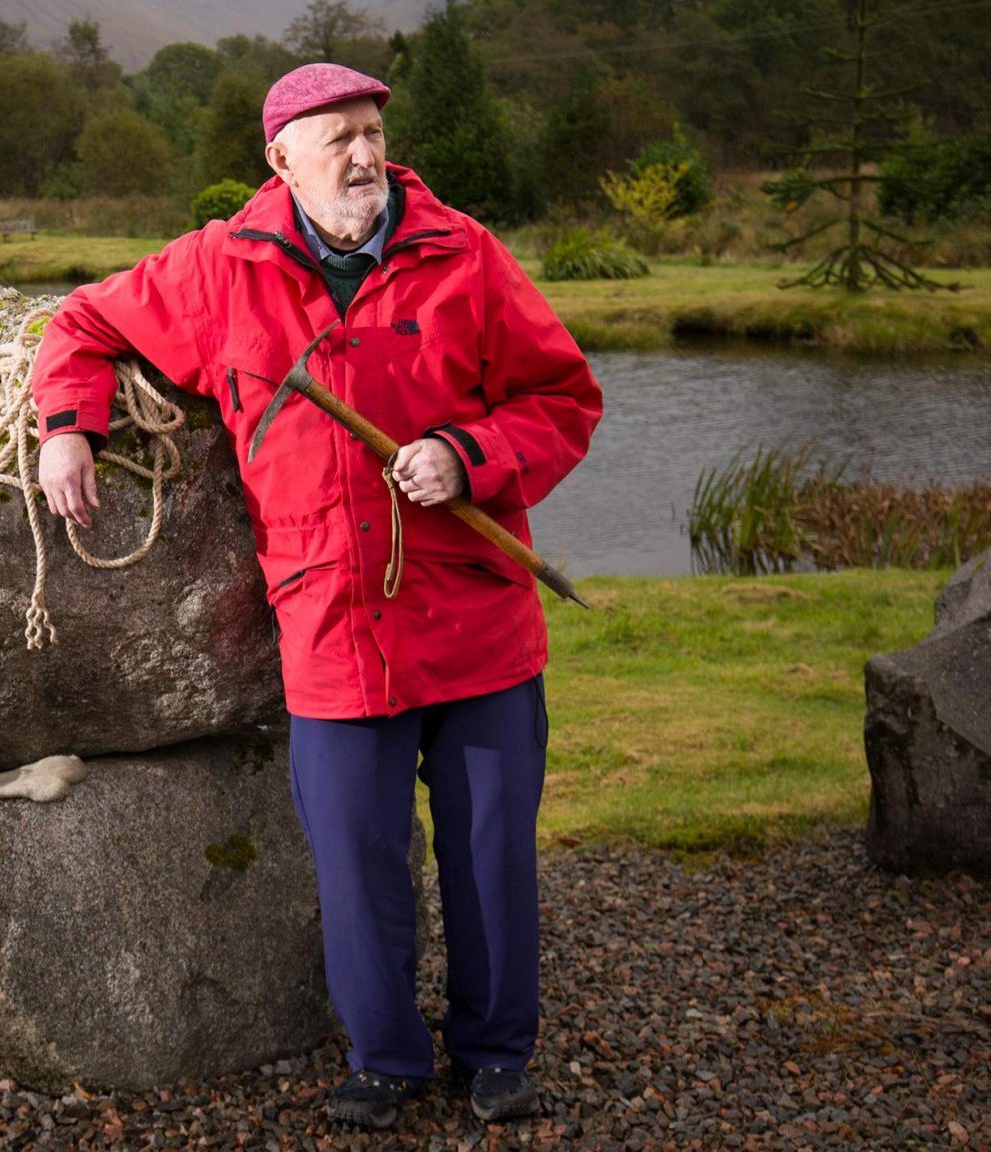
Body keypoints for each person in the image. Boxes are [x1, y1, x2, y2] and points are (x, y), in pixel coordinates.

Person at [29, 62, 602, 1131]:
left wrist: (468, 454)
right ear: (278, 158)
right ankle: (384, 1058)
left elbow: (561, 396)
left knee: (488, 854)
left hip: (476, 617)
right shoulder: (215, 269)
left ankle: (494, 1054)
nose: (361, 155)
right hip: (331, 623)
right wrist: (69, 425)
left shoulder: (463, 255)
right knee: (353, 858)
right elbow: (81, 325)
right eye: (334, 136)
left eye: (371, 131)